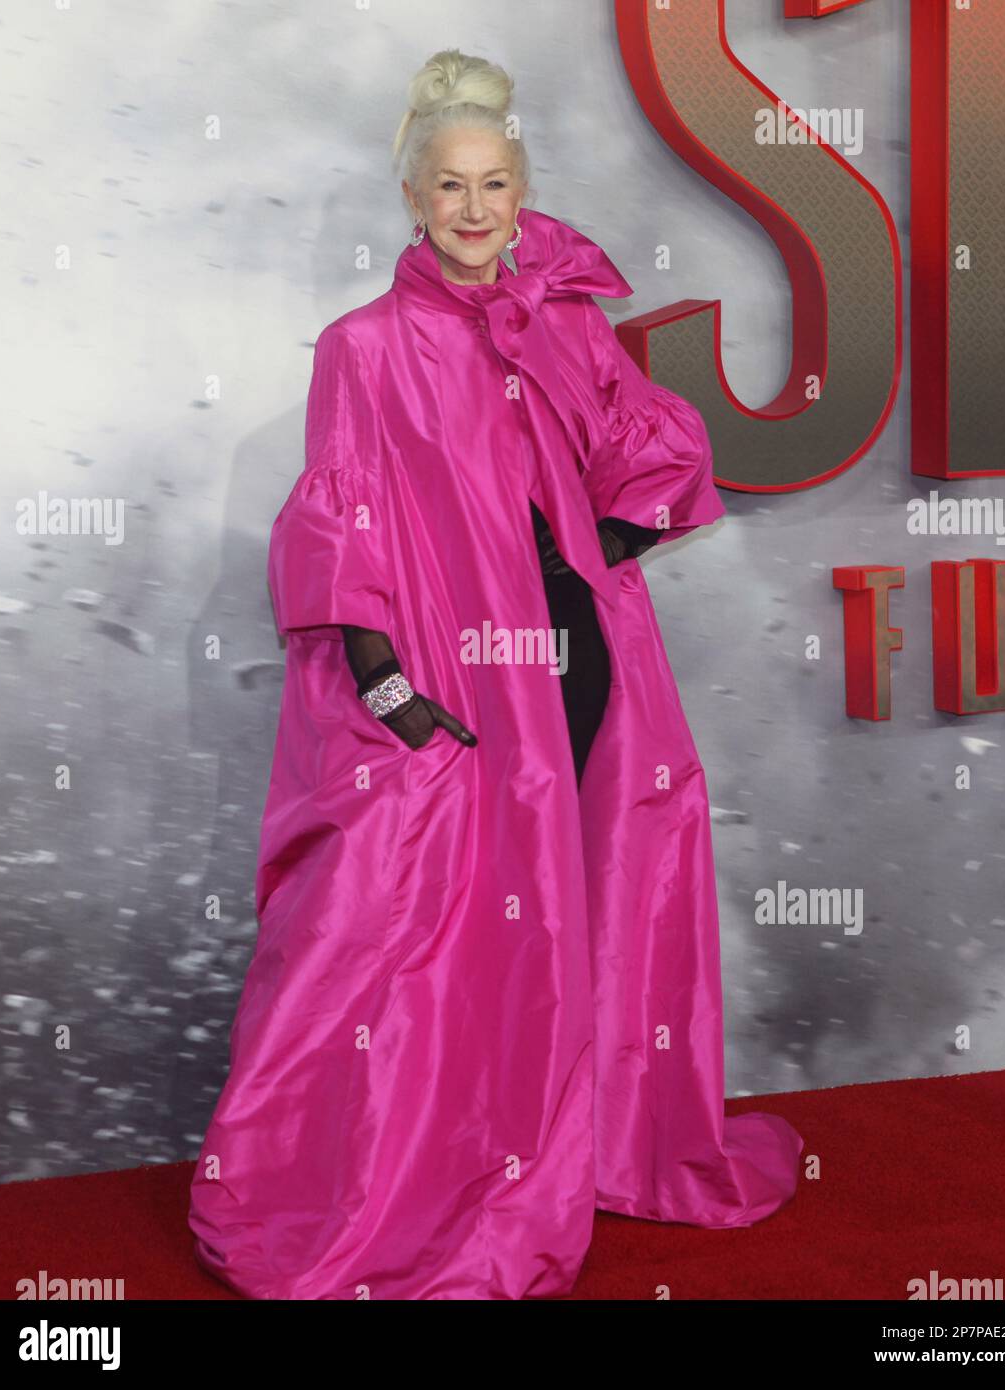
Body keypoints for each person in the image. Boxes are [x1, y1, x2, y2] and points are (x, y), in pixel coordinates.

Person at [188, 47, 804, 1301]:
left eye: (495, 188)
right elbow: (340, 526)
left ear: (521, 194)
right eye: (450, 189)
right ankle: (427, 1179)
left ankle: (566, 1149)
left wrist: (584, 557)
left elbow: (649, 457)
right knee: (418, 932)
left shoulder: (562, 318)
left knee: (584, 890)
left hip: (580, 665)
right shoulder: (362, 349)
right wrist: (388, 691)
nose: (474, 212)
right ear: (413, 200)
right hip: (452, 689)